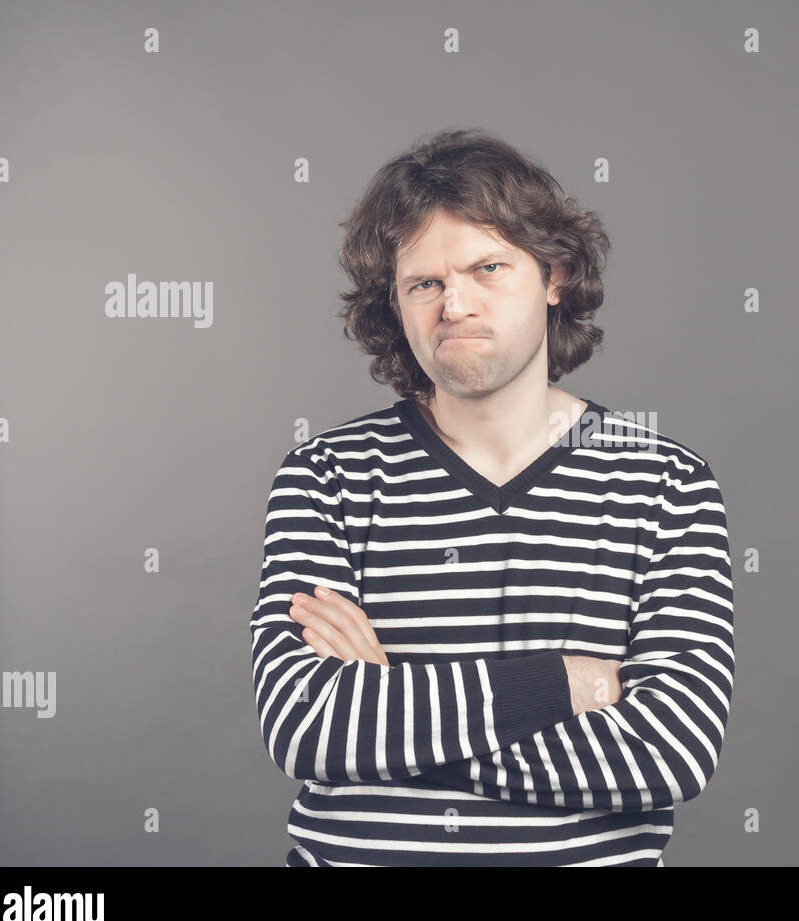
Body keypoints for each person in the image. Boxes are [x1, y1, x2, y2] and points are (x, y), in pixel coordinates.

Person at [249, 128, 735, 866]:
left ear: (555, 276)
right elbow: (308, 731)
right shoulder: (326, 477)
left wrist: (394, 720)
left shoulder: (665, 484)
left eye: (488, 268)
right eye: (425, 283)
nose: (455, 304)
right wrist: (568, 682)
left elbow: (670, 752)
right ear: (397, 302)